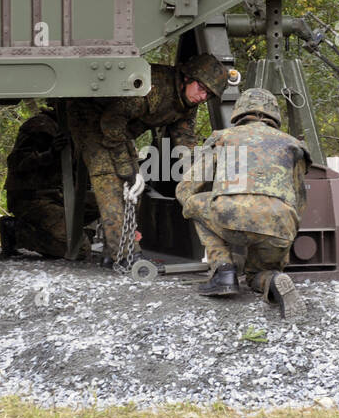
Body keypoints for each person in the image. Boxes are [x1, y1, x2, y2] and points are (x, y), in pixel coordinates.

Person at [66, 52, 229, 266]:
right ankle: (126, 254)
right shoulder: (154, 86)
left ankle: (113, 250)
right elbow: (111, 121)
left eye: (208, 94)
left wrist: (199, 176)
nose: (202, 96)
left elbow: (185, 141)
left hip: (118, 132)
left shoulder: (187, 103)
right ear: (188, 77)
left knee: (134, 188)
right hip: (92, 119)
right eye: (201, 88)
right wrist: (126, 167)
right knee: (111, 181)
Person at [176, 88, 310, 318]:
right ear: (274, 114)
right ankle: (274, 280)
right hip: (281, 225)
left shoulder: (223, 138)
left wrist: (218, 199)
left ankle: (223, 270)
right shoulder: (293, 145)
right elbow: (299, 202)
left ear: (239, 111)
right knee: (258, 274)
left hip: (231, 217)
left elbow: (186, 188)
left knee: (193, 203)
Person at [0, 107, 81, 259]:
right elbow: (15, 162)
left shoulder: (78, 129)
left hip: (62, 195)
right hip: (32, 198)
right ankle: (16, 232)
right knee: (78, 249)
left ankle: (64, 231)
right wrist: (50, 154)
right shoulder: (40, 125)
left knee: (104, 203)